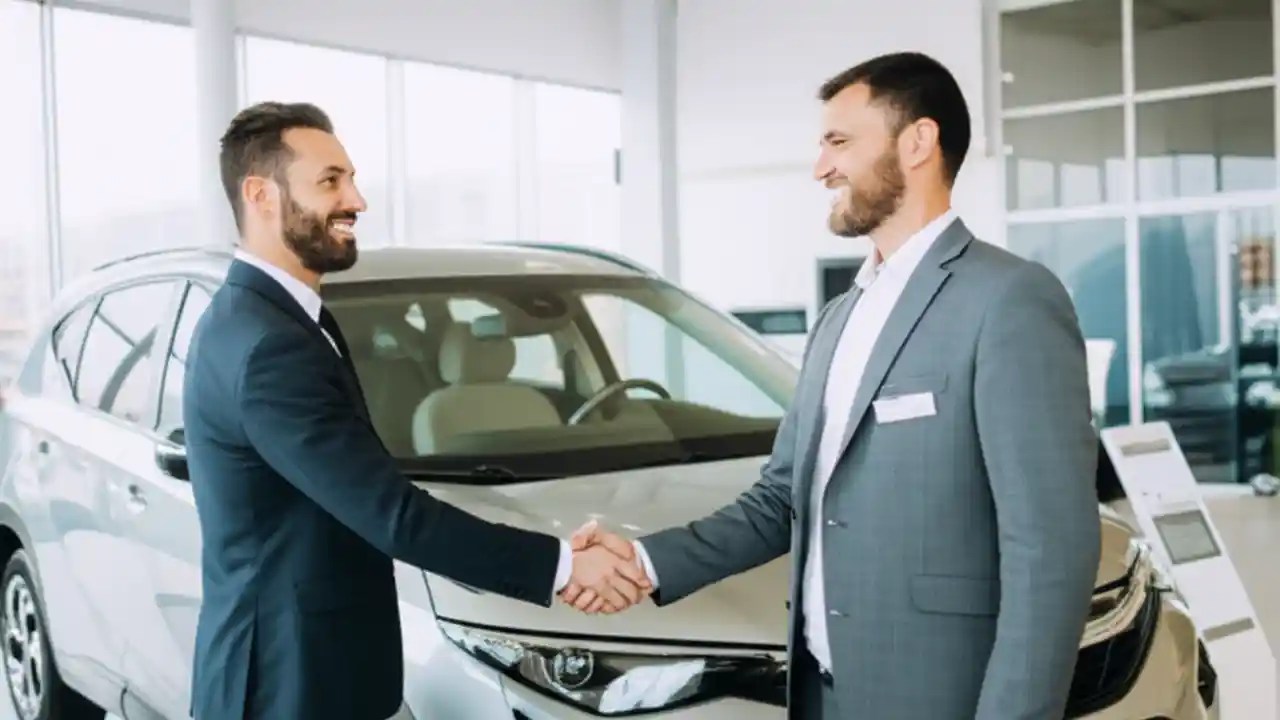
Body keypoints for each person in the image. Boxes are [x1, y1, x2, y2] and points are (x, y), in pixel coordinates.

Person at [561, 51, 1100, 719]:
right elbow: (781, 498)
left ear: (917, 142)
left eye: (839, 142)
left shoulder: (1009, 300)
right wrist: (645, 562)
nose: (821, 168)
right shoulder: (839, 318)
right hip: (821, 693)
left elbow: (1051, 546)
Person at [183, 101, 649, 720]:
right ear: (260, 195)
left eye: (351, 178)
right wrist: (563, 566)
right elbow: (394, 516)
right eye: (330, 181)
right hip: (287, 687)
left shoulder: (280, 319)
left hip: (315, 676)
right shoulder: (269, 345)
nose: (356, 200)